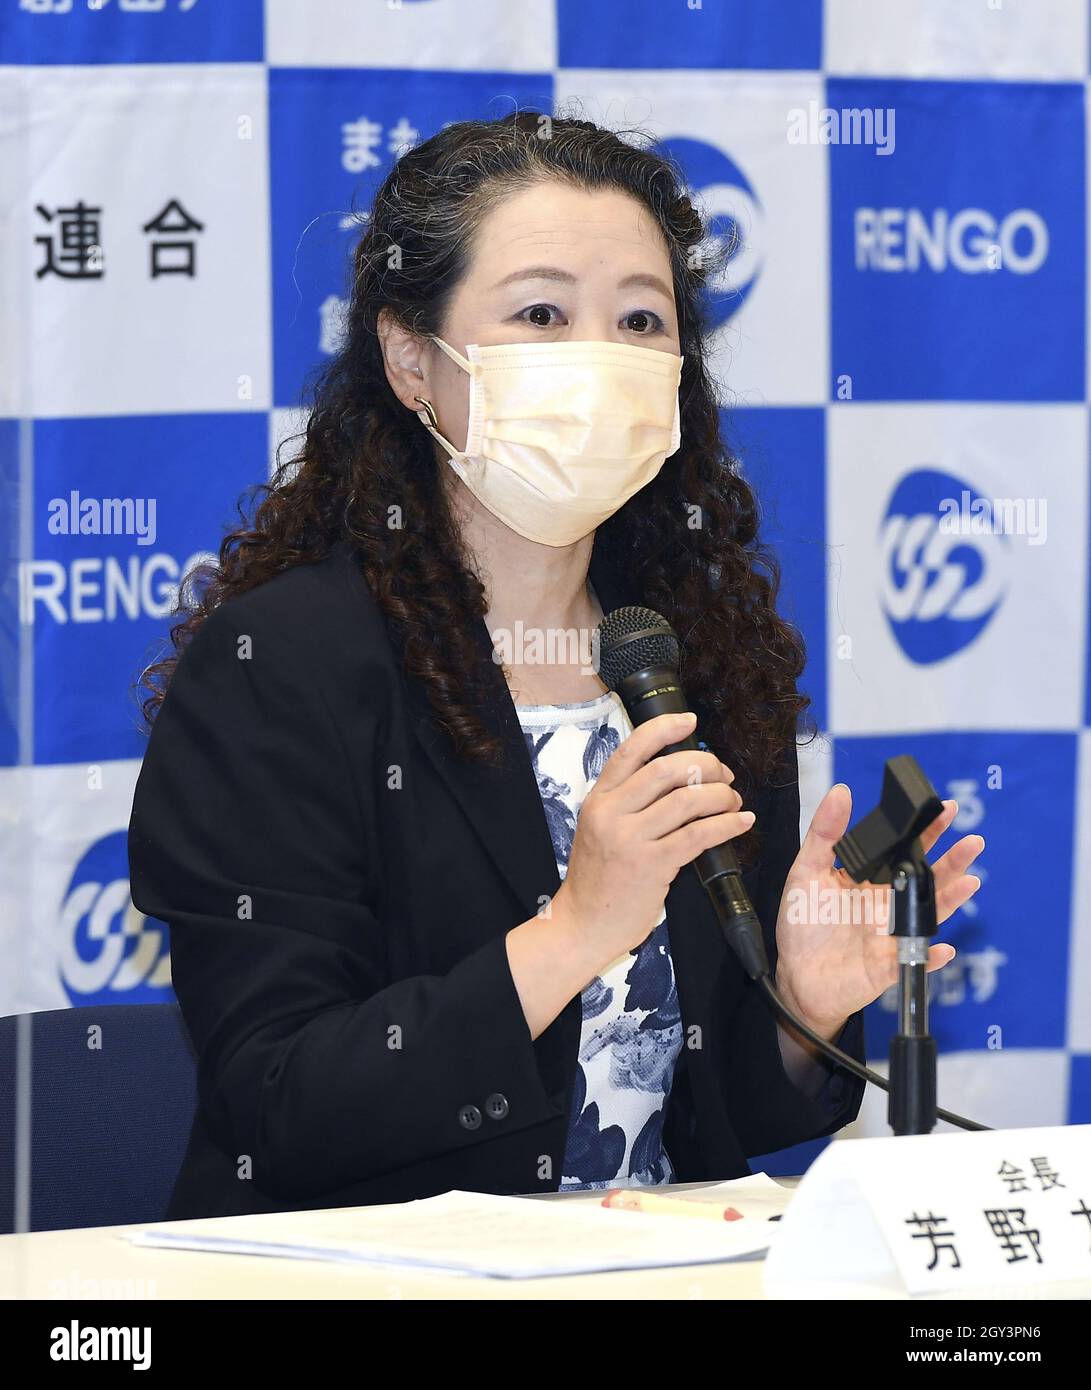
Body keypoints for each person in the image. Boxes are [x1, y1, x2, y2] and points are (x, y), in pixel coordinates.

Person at [129, 111, 983, 1219]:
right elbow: (279, 1105)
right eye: (541, 312)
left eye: (639, 319)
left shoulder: (687, 663)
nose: (599, 358)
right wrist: (573, 930)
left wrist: (800, 1014)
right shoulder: (276, 671)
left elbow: (716, 1129)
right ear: (410, 359)